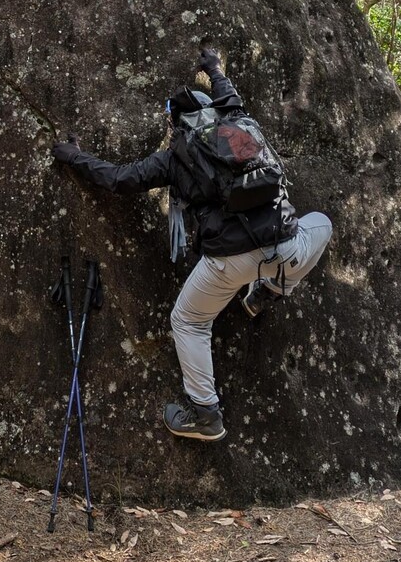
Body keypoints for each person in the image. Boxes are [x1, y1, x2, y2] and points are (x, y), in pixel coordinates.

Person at [52, 47, 332, 443]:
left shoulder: (173, 159)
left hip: (227, 263)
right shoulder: (239, 123)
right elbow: (227, 92)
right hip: (284, 245)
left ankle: (206, 414)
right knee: (321, 223)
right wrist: (214, 67)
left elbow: (117, 179)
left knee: (189, 322)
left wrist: (74, 157)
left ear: (176, 123)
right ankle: (269, 290)